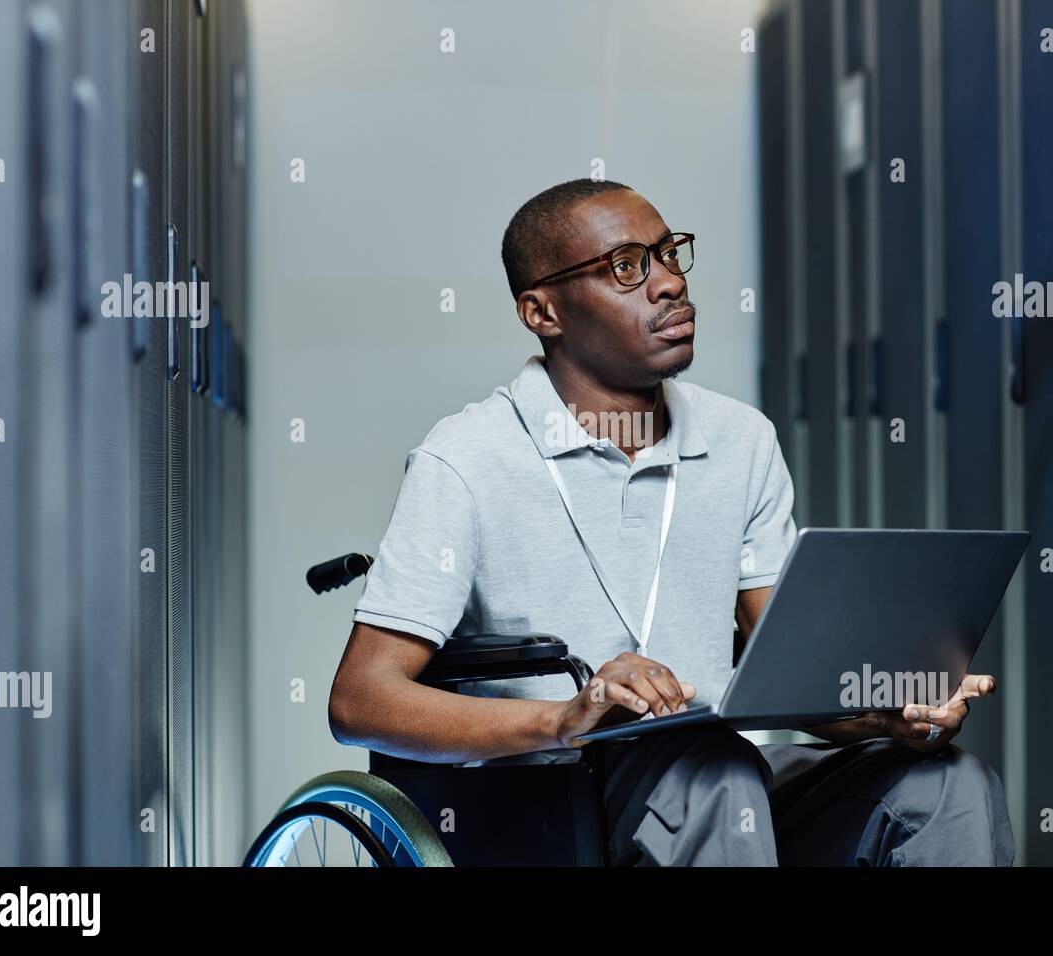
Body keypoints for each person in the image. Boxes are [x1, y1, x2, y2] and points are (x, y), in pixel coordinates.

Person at [328, 178, 1015, 866]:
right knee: (714, 772)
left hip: (722, 785)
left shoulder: (740, 439)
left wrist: (886, 711)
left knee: (949, 783)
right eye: (625, 267)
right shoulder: (468, 456)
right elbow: (361, 701)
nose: (667, 285)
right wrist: (565, 718)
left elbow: (789, 673)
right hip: (538, 796)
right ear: (542, 312)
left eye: (668, 255)